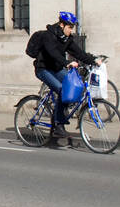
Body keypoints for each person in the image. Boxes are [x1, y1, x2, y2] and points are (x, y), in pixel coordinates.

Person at [27, 11, 105, 142]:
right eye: (69, 27)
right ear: (61, 25)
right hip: (43, 69)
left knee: (74, 87)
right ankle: (58, 125)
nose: (71, 30)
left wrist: (93, 60)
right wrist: (67, 63)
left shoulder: (67, 39)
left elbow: (79, 53)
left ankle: (58, 115)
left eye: (72, 27)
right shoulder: (49, 36)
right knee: (62, 90)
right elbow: (53, 54)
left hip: (56, 69)